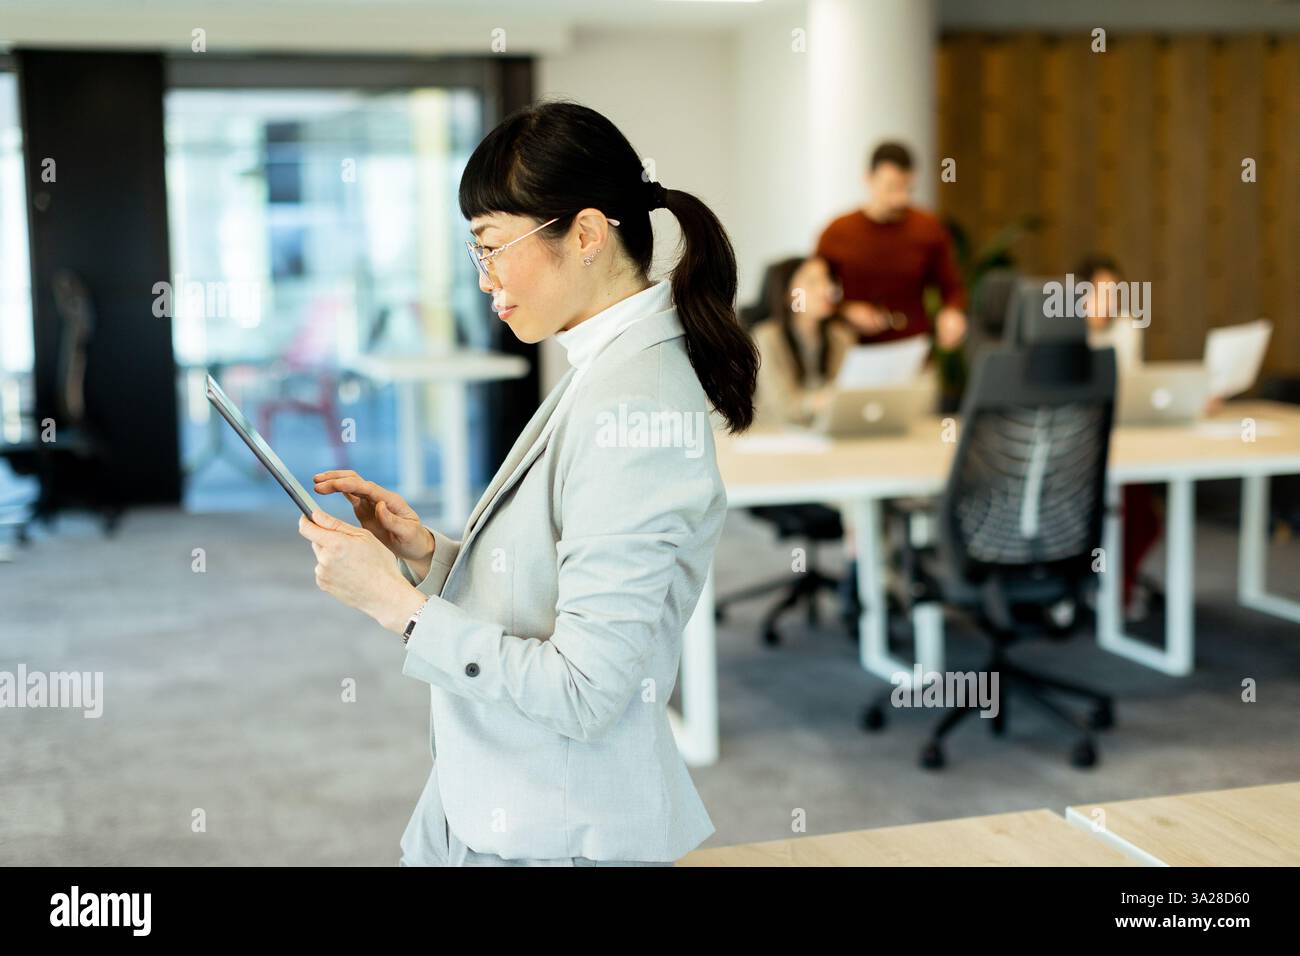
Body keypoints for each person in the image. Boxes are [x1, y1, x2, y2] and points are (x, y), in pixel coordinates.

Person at [296, 100, 759, 866]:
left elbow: (584, 689)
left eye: (491, 248)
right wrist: (429, 555)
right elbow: (552, 585)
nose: (484, 280)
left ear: (583, 234)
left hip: (558, 828)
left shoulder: (632, 408)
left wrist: (395, 604)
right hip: (501, 792)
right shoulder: (607, 367)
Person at [815, 141, 968, 351]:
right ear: (869, 179)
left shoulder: (928, 227)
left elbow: (952, 287)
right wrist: (845, 310)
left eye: (907, 188)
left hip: (913, 347)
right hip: (850, 348)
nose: (900, 198)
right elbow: (813, 288)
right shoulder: (838, 231)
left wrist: (952, 313)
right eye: (891, 187)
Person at [1077, 253, 1159, 620]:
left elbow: (1134, 386)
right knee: (1112, 509)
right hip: (1076, 445)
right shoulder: (1062, 330)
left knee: (1140, 513)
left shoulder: (1126, 327)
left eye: (1113, 293)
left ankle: (1119, 585)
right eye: (1099, 293)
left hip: (1121, 440)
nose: (1107, 303)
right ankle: (1104, 585)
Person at [751, 254, 857, 426]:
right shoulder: (767, 337)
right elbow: (783, 406)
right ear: (787, 293)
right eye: (812, 282)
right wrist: (827, 400)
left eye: (827, 280)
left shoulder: (840, 336)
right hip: (777, 434)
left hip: (829, 430)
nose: (827, 289)